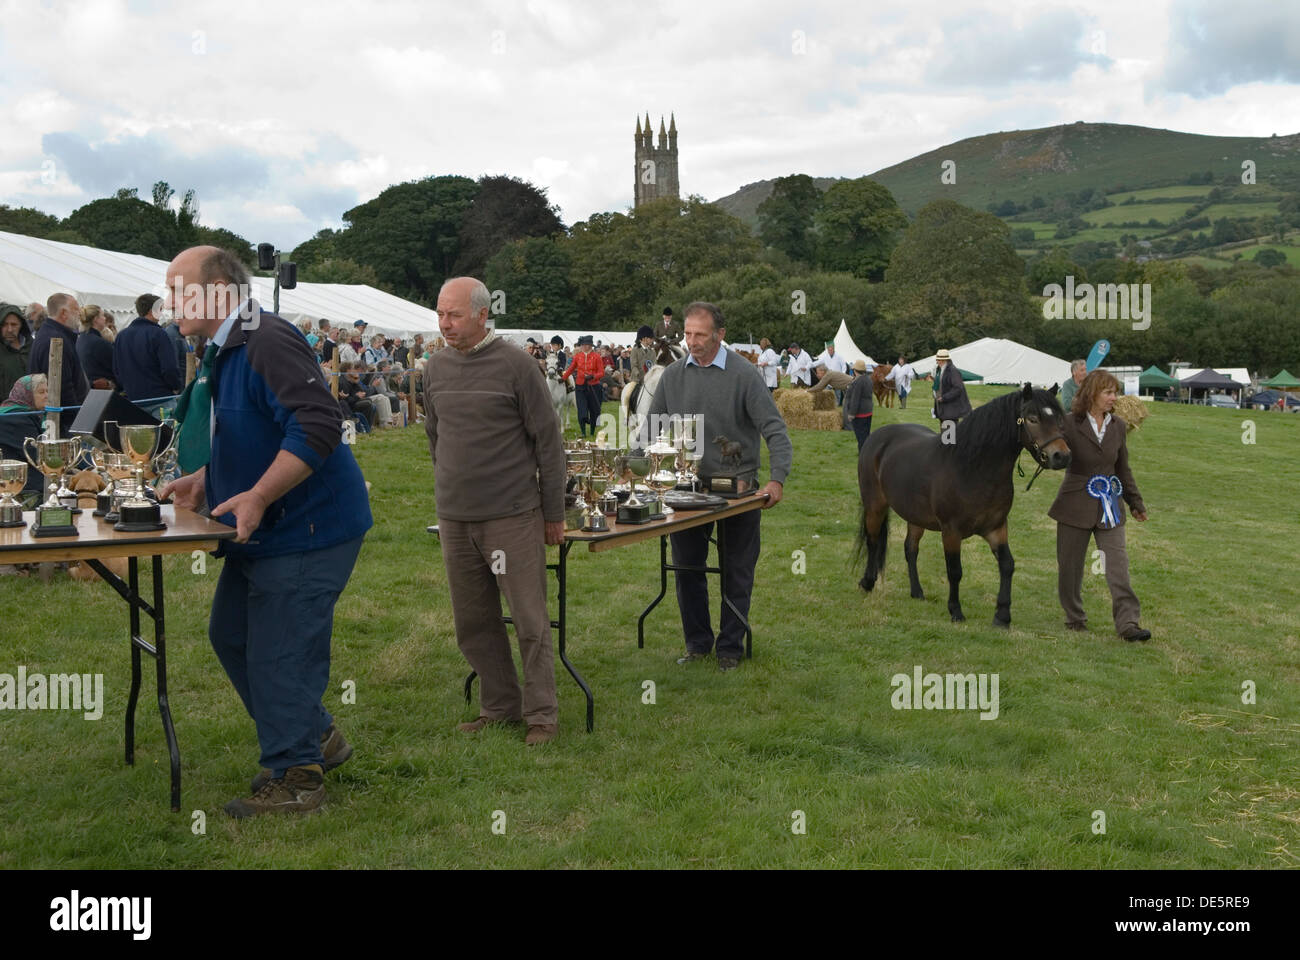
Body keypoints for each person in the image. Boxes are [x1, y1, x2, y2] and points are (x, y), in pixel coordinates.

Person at [160, 245, 371, 818]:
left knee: (280, 653)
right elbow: (256, 427)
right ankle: (317, 735)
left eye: (179, 289)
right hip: (269, 526)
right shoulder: (227, 346)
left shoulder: (266, 339)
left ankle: (298, 777)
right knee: (233, 635)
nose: (169, 301)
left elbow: (318, 423)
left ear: (218, 291)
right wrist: (206, 478)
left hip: (308, 526)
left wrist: (256, 495)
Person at [425, 276, 565, 745]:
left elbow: (548, 443)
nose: (445, 323)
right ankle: (499, 706)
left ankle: (541, 714)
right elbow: (435, 437)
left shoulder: (518, 366)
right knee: (473, 622)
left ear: (483, 315)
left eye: (454, 314)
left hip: (511, 515)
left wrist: (552, 513)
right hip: (455, 516)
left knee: (529, 619)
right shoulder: (435, 368)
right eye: (441, 314)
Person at [645, 301, 792, 672]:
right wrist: (635, 468)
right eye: (687, 334)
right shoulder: (673, 376)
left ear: (720, 335)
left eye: (700, 335)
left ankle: (730, 648)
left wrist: (776, 479)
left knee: (737, 570)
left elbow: (774, 429)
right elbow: (649, 430)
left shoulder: (745, 375)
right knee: (687, 569)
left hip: (738, 490)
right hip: (686, 488)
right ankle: (697, 644)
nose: (691, 341)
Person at [1049, 369, 1150, 642]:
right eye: (1108, 392)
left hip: (1110, 507)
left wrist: (1135, 502)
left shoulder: (1118, 426)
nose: (1113, 397)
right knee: (1070, 568)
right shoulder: (1068, 423)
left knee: (1118, 565)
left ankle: (1128, 623)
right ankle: (1074, 618)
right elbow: (1053, 453)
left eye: (1115, 392)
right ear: (1092, 393)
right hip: (1074, 503)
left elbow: (1123, 468)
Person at [113, 293, 183, 414]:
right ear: (152, 311)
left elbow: (117, 369)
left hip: (134, 400)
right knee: (167, 433)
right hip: (160, 399)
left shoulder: (121, 335)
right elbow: (169, 368)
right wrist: (176, 386)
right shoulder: (158, 333)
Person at [28, 292, 89, 411]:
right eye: (76, 310)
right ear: (64, 313)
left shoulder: (52, 334)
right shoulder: (55, 339)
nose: (79, 314)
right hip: (61, 420)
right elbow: (62, 387)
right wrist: (75, 416)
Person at [562, 334, 605, 438]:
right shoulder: (577, 356)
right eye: (584, 345)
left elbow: (602, 372)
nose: (585, 347)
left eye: (587, 345)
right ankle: (583, 432)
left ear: (591, 346)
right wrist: (563, 378)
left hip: (593, 386)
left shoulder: (597, 357)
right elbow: (571, 369)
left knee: (593, 409)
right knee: (581, 409)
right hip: (580, 385)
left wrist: (593, 376)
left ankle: (591, 432)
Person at [76, 305, 116, 390]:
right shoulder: (100, 343)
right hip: (104, 393)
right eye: (102, 316)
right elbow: (117, 369)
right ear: (95, 319)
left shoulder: (80, 340)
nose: (105, 318)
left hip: (87, 391)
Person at [1, 303, 33, 402]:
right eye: (4, 324)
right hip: (5, 412)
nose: (9, 329)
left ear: (21, 325)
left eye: (14, 324)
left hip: (32, 409)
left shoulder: (31, 347)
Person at [933, 347, 972, 423]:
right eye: (937, 359)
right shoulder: (939, 370)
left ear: (944, 360)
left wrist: (944, 397)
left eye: (938, 360)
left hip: (951, 409)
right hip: (942, 407)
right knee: (944, 432)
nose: (937, 361)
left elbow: (958, 388)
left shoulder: (953, 371)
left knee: (950, 433)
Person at [844, 359, 874, 448]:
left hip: (860, 414)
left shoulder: (858, 381)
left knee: (861, 437)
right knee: (866, 435)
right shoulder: (868, 379)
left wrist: (851, 414)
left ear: (855, 371)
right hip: (868, 411)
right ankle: (868, 453)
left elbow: (855, 398)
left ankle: (863, 455)